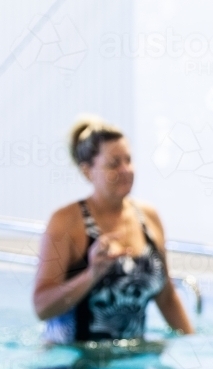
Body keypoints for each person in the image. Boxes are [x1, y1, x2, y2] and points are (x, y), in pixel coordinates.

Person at [33, 116, 193, 342]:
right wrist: (91, 275)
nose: (126, 169)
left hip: (133, 357)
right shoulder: (65, 222)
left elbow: (166, 297)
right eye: (114, 163)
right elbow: (41, 307)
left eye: (128, 160)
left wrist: (194, 344)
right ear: (88, 171)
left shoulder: (148, 218)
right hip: (75, 359)